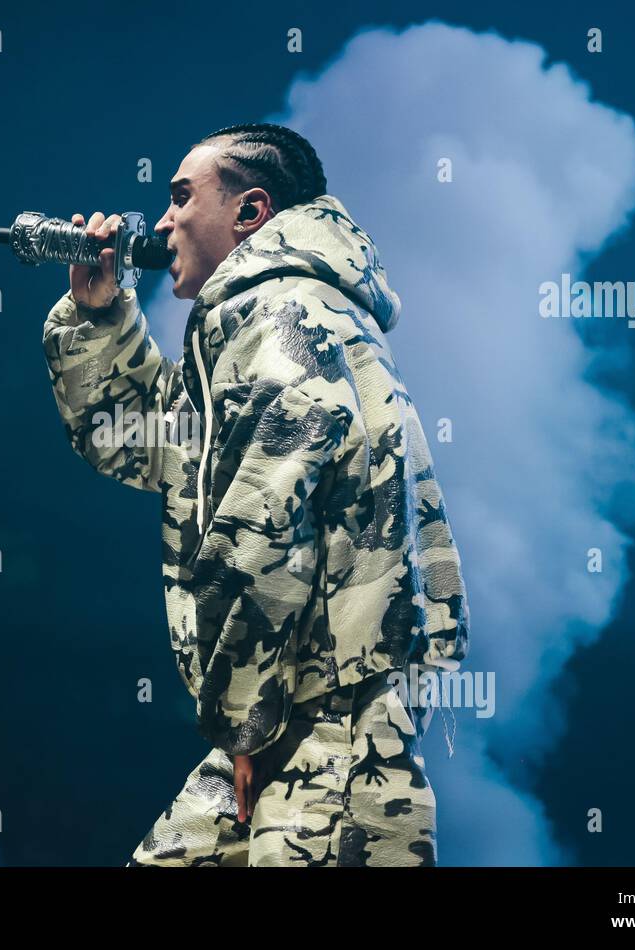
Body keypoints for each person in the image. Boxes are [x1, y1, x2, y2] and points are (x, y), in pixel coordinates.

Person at [41, 123, 470, 866]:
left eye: (182, 198)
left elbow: (261, 536)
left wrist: (242, 725)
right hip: (280, 718)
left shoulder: (285, 318)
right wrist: (101, 316)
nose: (165, 220)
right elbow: (151, 446)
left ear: (251, 213)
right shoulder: (255, 319)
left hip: (330, 736)